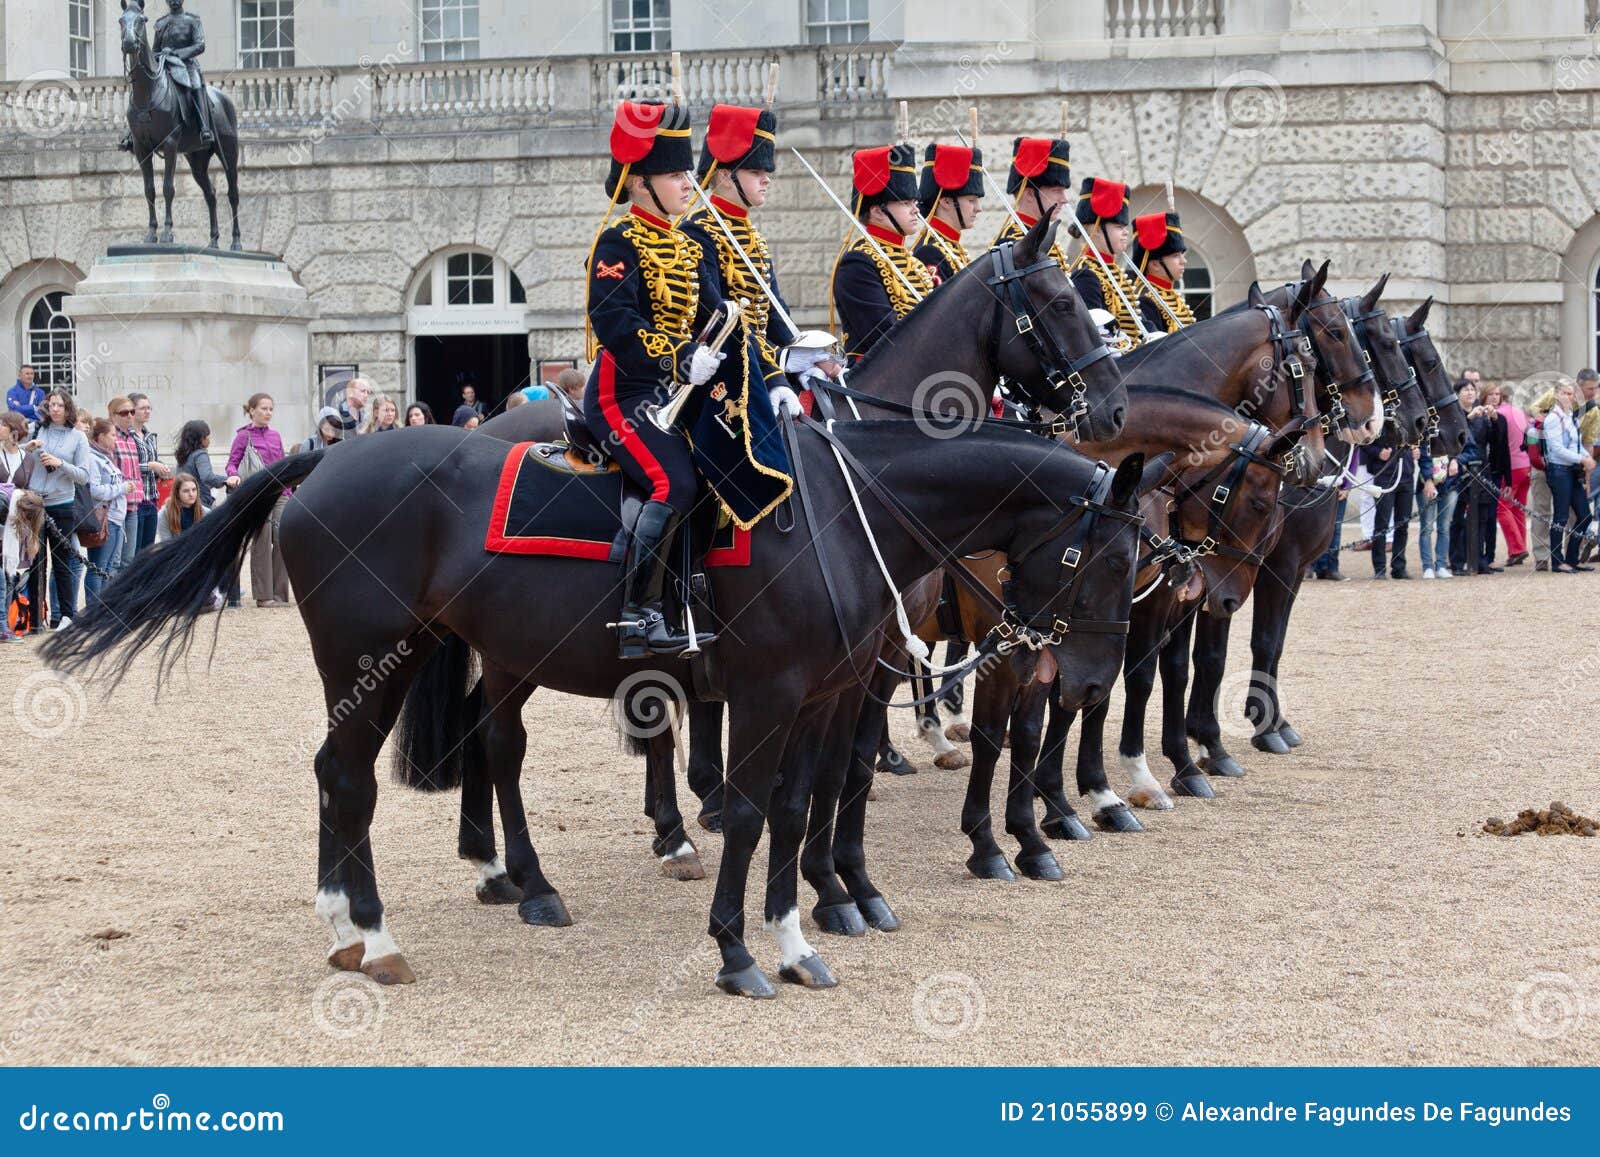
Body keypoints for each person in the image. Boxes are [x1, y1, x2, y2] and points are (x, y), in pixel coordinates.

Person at [583, 98, 786, 658]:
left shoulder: (688, 245)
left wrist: (773, 375)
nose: (687, 183)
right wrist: (677, 356)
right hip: (621, 392)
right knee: (676, 482)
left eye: (686, 173)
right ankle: (635, 614)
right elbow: (615, 323)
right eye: (675, 175)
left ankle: (687, 598)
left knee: (722, 465)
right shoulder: (617, 243)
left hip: (674, 394)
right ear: (641, 183)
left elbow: (720, 318)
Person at [681, 101, 808, 409]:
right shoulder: (698, 232)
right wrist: (773, 375)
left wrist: (803, 353)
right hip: (721, 370)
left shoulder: (753, 238)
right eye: (755, 171)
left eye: (766, 172)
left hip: (762, 362)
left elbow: (775, 312)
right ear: (725, 176)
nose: (766, 179)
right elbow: (719, 318)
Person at [831, 144, 934, 362]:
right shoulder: (858, 263)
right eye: (906, 203)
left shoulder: (913, 263)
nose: (916, 210)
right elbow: (884, 336)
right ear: (877, 210)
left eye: (914, 202)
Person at [25, 389, 90, 629]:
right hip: (34, 503)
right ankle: (35, 617)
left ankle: (66, 615)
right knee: (35, 563)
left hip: (61, 504)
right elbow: (17, 459)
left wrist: (60, 463)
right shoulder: (37, 429)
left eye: (60, 405)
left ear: (67, 408)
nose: (55, 409)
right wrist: (28, 449)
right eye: (51, 404)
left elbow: (84, 476)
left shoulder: (78, 437)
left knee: (62, 562)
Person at [225, 392, 291, 608]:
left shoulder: (276, 436)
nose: (268, 412)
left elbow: (283, 466)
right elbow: (232, 463)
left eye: (271, 409)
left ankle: (280, 595)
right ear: (252, 410)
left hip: (279, 494)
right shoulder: (243, 436)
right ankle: (264, 597)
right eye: (264, 408)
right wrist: (233, 475)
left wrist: (288, 492)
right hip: (257, 495)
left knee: (283, 538)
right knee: (261, 543)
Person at [1071, 176, 1144, 351]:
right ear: (1096, 230)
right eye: (1119, 227)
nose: (1126, 233)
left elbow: (1138, 324)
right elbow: (1097, 334)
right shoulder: (1085, 274)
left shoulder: (1115, 271)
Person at [991, 135, 1072, 273]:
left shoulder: (1037, 235)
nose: (1064, 199)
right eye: (1057, 191)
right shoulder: (1012, 243)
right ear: (1029, 194)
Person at [913, 140, 985, 284]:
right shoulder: (930, 253)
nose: (978, 208)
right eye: (971, 200)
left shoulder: (953, 247)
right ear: (945, 202)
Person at [1543, 380, 1597, 573]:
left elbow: (1575, 444)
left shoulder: (1569, 417)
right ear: (1557, 395)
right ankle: (1557, 561)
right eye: (1565, 393)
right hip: (1559, 470)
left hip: (1571, 470)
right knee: (1561, 516)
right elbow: (1557, 450)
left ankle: (1572, 558)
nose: (1569, 397)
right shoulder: (1552, 419)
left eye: (1571, 393)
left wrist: (1586, 457)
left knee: (1584, 515)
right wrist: (1583, 459)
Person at [84, 419, 135, 609]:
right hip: (104, 518)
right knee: (98, 566)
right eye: (113, 435)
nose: (116, 439)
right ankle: (93, 609)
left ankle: (104, 608)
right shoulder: (92, 458)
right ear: (101, 436)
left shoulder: (107, 457)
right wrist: (122, 488)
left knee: (108, 568)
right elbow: (95, 490)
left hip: (115, 517)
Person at [1131, 211, 1195, 333]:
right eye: (1176, 256)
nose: (1183, 261)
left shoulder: (1170, 295)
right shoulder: (1145, 300)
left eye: (1182, 255)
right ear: (1155, 264)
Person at [127, 392, 171, 555]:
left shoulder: (149, 436)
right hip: (135, 501)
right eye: (142, 408)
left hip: (152, 498)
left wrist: (162, 469)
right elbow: (126, 467)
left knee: (148, 551)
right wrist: (150, 466)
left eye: (149, 408)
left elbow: (155, 462)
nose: (147, 411)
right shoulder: (127, 436)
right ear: (132, 411)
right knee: (134, 552)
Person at [107, 397, 147, 575]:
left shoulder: (132, 438)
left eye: (132, 412)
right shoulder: (111, 438)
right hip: (116, 505)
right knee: (114, 560)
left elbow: (136, 471)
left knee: (128, 559)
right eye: (124, 413)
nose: (129, 416)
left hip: (133, 504)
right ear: (113, 415)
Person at [1, 488, 45, 642]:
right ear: (23, 509)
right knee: (2, 583)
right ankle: (3, 629)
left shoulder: (13, 507)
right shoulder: (3, 502)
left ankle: (4, 627)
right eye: (28, 517)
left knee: (6, 582)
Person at [1496, 382, 1532, 565]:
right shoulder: (1521, 413)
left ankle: (1517, 549)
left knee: (1502, 507)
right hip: (1526, 465)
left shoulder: (1501, 413)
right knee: (1518, 508)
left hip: (1511, 467)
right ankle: (1520, 546)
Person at [173, 419, 238, 509]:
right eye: (207, 436)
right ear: (201, 439)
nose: (209, 439)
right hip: (199, 503)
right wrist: (226, 480)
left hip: (182, 501)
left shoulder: (184, 455)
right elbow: (207, 476)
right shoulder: (200, 454)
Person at [1416, 441, 1458, 580]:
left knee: (1444, 527)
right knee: (1426, 527)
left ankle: (1441, 565)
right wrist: (1428, 478)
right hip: (1427, 483)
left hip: (1450, 484)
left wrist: (1457, 460)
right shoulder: (1428, 427)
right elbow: (1424, 453)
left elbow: (1467, 447)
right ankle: (1427, 566)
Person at [6, 365, 43, 430]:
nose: (30, 376)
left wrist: (20, 407)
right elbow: (14, 410)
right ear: (20, 375)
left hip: (36, 428)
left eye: (32, 374)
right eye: (27, 374)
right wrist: (33, 407)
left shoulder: (40, 392)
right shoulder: (12, 392)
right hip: (17, 428)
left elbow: (42, 412)